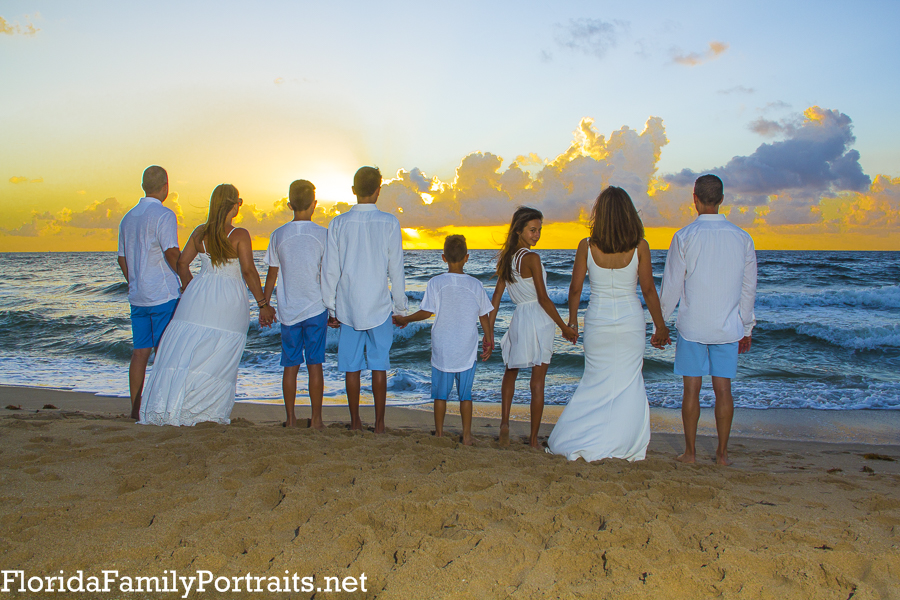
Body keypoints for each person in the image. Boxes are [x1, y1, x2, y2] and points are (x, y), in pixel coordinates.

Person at [548, 187, 670, 462]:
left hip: (598, 322)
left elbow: (575, 289)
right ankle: (621, 442)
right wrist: (660, 326)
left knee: (595, 379)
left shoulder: (586, 246)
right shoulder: (640, 246)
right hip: (630, 322)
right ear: (629, 213)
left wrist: (571, 322)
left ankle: (583, 437)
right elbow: (649, 290)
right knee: (628, 381)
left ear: (599, 214)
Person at [139, 184, 275, 426]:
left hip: (198, 293)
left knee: (188, 349)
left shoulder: (200, 233)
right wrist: (263, 304)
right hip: (228, 299)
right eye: (239, 202)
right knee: (220, 353)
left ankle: (175, 407)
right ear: (233, 205)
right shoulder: (239, 235)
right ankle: (205, 411)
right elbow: (248, 271)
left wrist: (190, 287)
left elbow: (182, 263)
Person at [657, 174, 757, 466]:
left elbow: (672, 285)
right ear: (722, 199)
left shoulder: (684, 236)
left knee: (691, 389)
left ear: (695, 198)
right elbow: (748, 288)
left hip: (693, 326)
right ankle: (722, 455)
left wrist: (660, 324)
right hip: (727, 326)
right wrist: (747, 327)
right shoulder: (742, 237)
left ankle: (690, 453)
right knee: (723, 389)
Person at [321, 166, 407, 434]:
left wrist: (330, 307)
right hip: (379, 305)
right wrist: (401, 307)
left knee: (352, 366)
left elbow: (330, 269)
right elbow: (397, 269)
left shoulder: (338, 223)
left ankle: (356, 421)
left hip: (348, 305)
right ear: (379, 190)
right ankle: (380, 424)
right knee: (379, 365)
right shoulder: (390, 222)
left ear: (353, 190)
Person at [489, 207, 578, 449]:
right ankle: (533, 440)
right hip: (539, 320)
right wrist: (563, 327)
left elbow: (496, 297)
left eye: (539, 230)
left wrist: (488, 330)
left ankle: (505, 423)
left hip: (519, 318)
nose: (537, 235)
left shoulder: (507, 259)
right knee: (538, 382)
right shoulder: (532, 258)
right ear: (519, 230)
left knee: (511, 371)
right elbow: (543, 298)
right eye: (532, 230)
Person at [394, 235, 494, 445]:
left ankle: (439, 434)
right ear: (467, 257)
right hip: (466, 347)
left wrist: (406, 319)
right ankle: (466, 436)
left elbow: (426, 312)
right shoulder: (475, 285)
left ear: (443, 257)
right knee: (465, 395)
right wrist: (489, 338)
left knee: (440, 395)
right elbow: (483, 315)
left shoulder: (436, 282)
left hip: (443, 346)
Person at [262, 180, 328, 430]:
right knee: (315, 365)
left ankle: (290, 419)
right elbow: (329, 274)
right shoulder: (323, 234)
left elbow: (272, 274)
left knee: (290, 365)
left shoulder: (278, 234)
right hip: (316, 307)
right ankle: (317, 420)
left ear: (289, 204)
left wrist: (264, 304)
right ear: (314, 204)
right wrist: (333, 308)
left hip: (288, 310)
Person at [117, 166, 181, 420]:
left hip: (138, 295)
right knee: (166, 350)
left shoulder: (128, 217)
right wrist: (186, 277)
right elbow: (171, 252)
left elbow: (122, 259)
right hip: (163, 293)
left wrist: (134, 281)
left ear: (144, 185)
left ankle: (135, 405)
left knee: (140, 352)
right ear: (166, 185)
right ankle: (160, 404)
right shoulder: (164, 215)